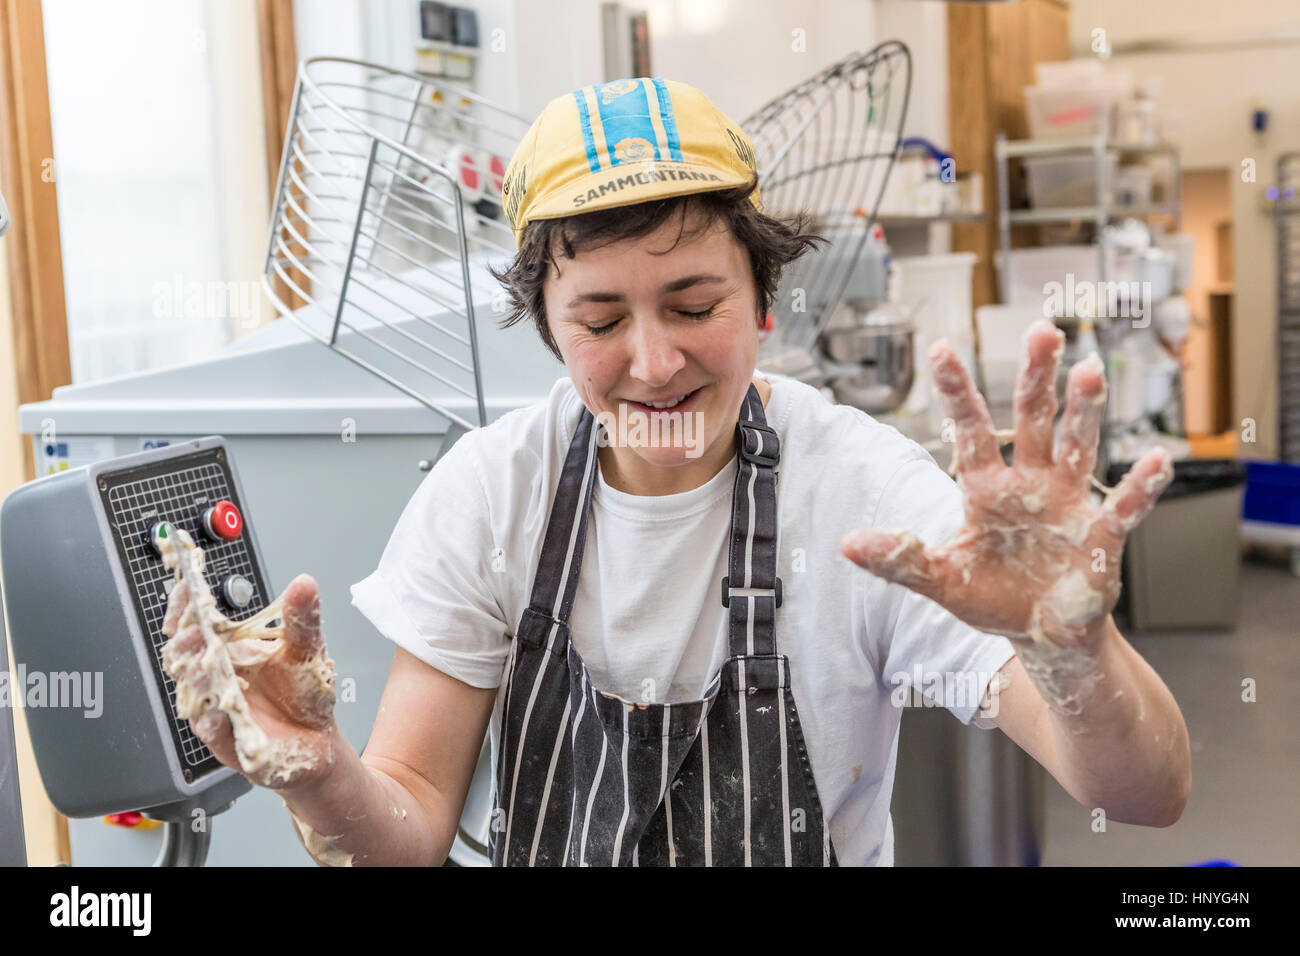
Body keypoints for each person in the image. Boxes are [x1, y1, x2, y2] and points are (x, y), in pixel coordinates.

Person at [161, 77, 1190, 867]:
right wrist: (322, 773)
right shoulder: (491, 493)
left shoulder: (866, 494)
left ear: (763, 302)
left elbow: (1146, 791)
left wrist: (1073, 648)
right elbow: (405, 830)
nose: (654, 363)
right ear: (550, 331)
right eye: (601, 320)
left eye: (695, 306)